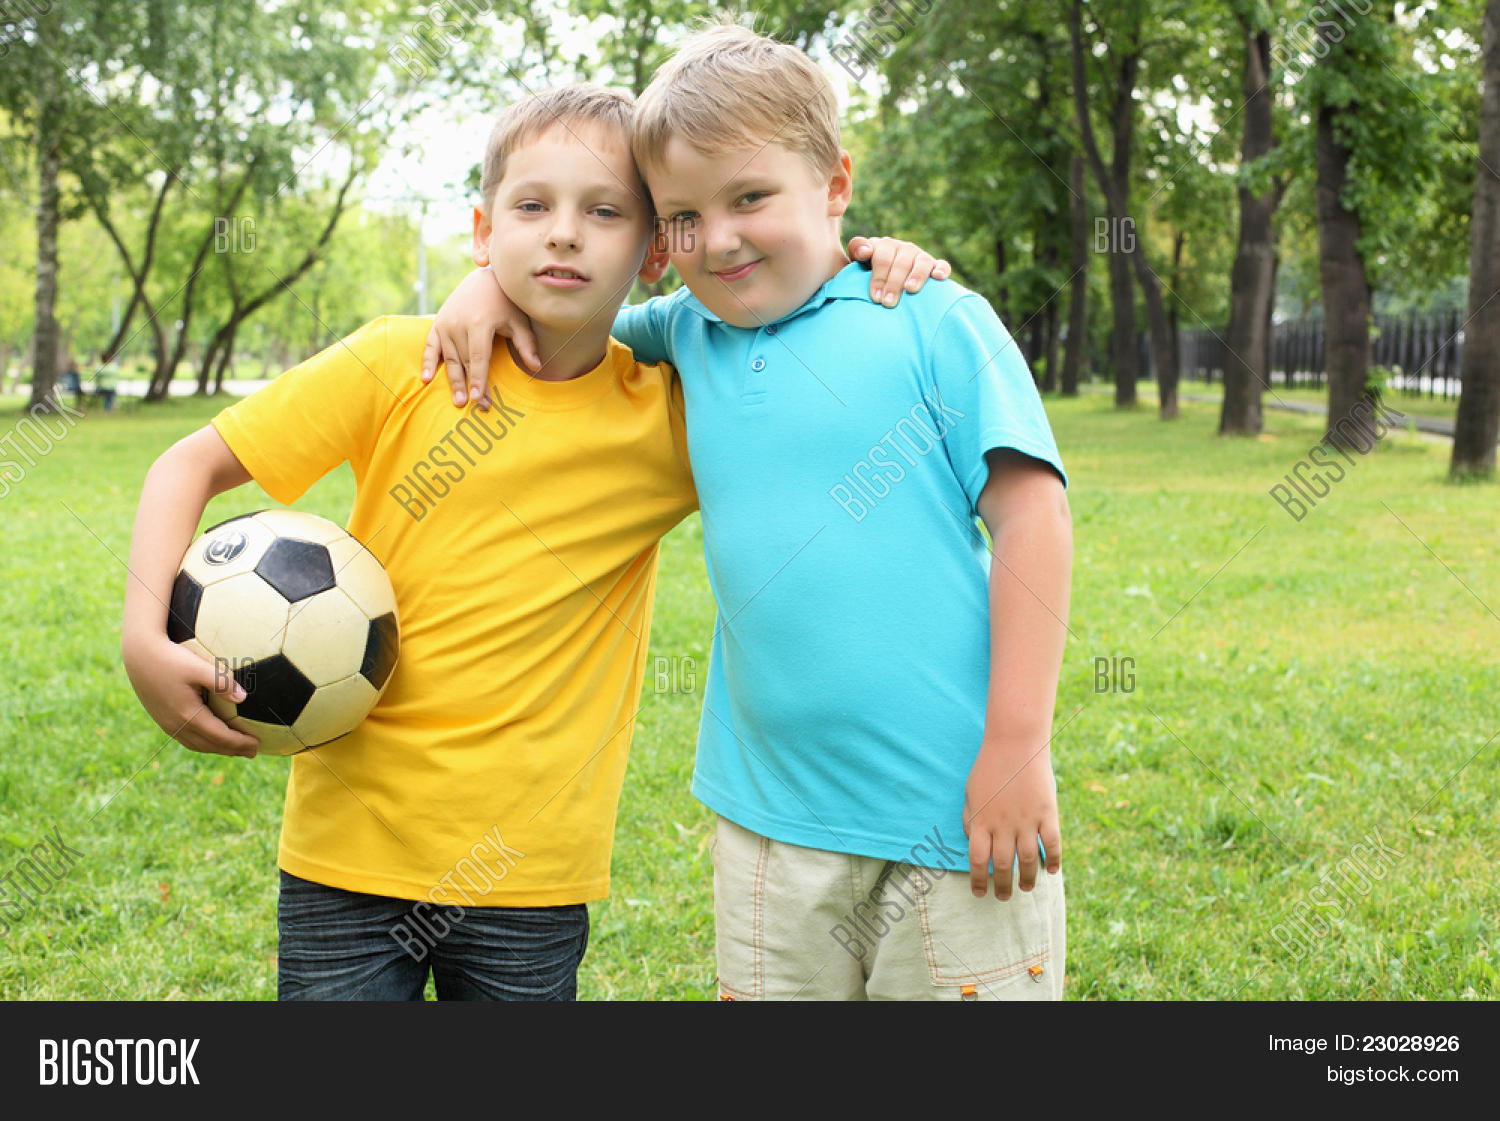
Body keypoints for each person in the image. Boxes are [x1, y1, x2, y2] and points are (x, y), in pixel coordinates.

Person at [121, 82, 942, 1002]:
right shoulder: (401, 361)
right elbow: (187, 466)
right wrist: (143, 637)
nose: (564, 235)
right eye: (531, 207)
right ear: (483, 229)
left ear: (656, 252)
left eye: (605, 212)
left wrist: (867, 259)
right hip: (344, 853)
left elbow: (789, 327)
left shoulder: (672, 416)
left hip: (530, 874)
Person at [425, 23, 1073, 1001]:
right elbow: (563, 310)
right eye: (682, 216)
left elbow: (1035, 520)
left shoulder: (933, 320)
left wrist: (1016, 746)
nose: (719, 239)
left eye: (751, 198)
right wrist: (483, 285)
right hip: (769, 827)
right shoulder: (686, 330)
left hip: (957, 812)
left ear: (836, 183)